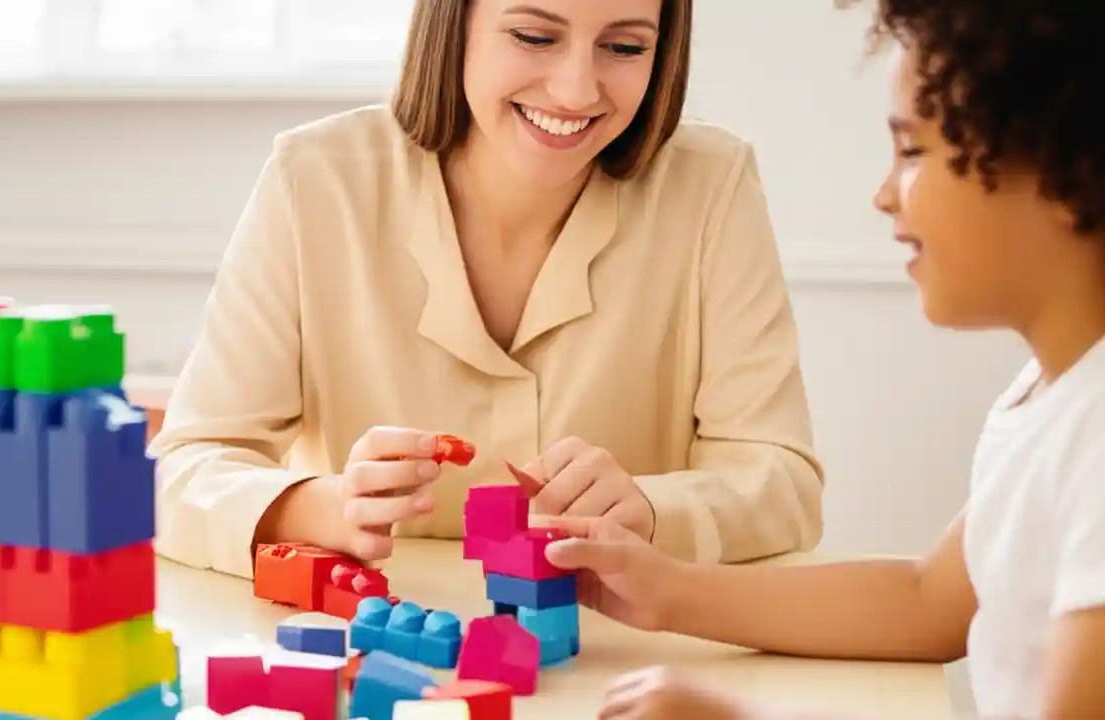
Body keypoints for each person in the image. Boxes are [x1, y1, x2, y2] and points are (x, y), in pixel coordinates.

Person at [542, 1, 1105, 718]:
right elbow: (929, 602)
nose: (883, 194)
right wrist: (666, 589)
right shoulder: (1075, 389)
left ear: (1069, 174)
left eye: (913, 152)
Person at [150, 0, 825, 580]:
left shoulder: (710, 184)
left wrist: (650, 512)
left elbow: (784, 484)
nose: (575, 91)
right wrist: (320, 506)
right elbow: (180, 474)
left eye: (624, 47)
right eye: (534, 36)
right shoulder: (316, 179)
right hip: (376, 646)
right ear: (454, 24)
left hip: (623, 652)